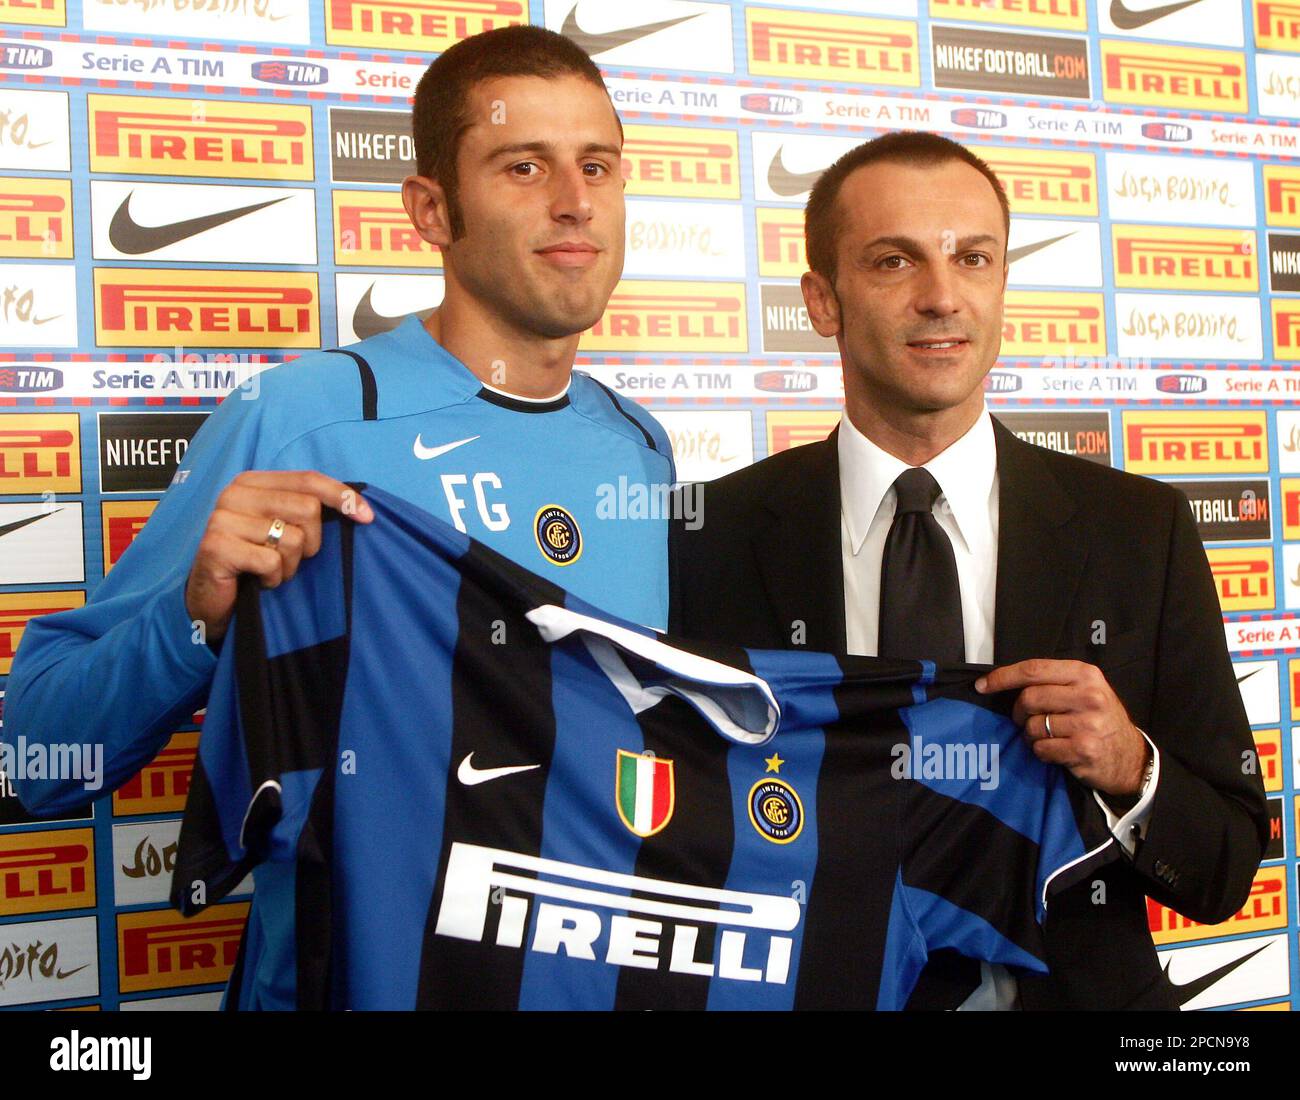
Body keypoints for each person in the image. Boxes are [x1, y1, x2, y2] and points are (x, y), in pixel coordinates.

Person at [5, 26, 674, 1001]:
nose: (573, 200)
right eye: (522, 164)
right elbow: (39, 755)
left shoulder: (639, 446)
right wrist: (196, 618)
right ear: (430, 209)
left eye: (598, 164)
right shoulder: (304, 414)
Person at [670, 132, 1268, 1010]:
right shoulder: (707, 537)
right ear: (822, 301)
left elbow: (1223, 866)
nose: (941, 296)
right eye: (893, 261)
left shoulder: (1142, 531)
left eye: (973, 258)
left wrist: (1130, 766)